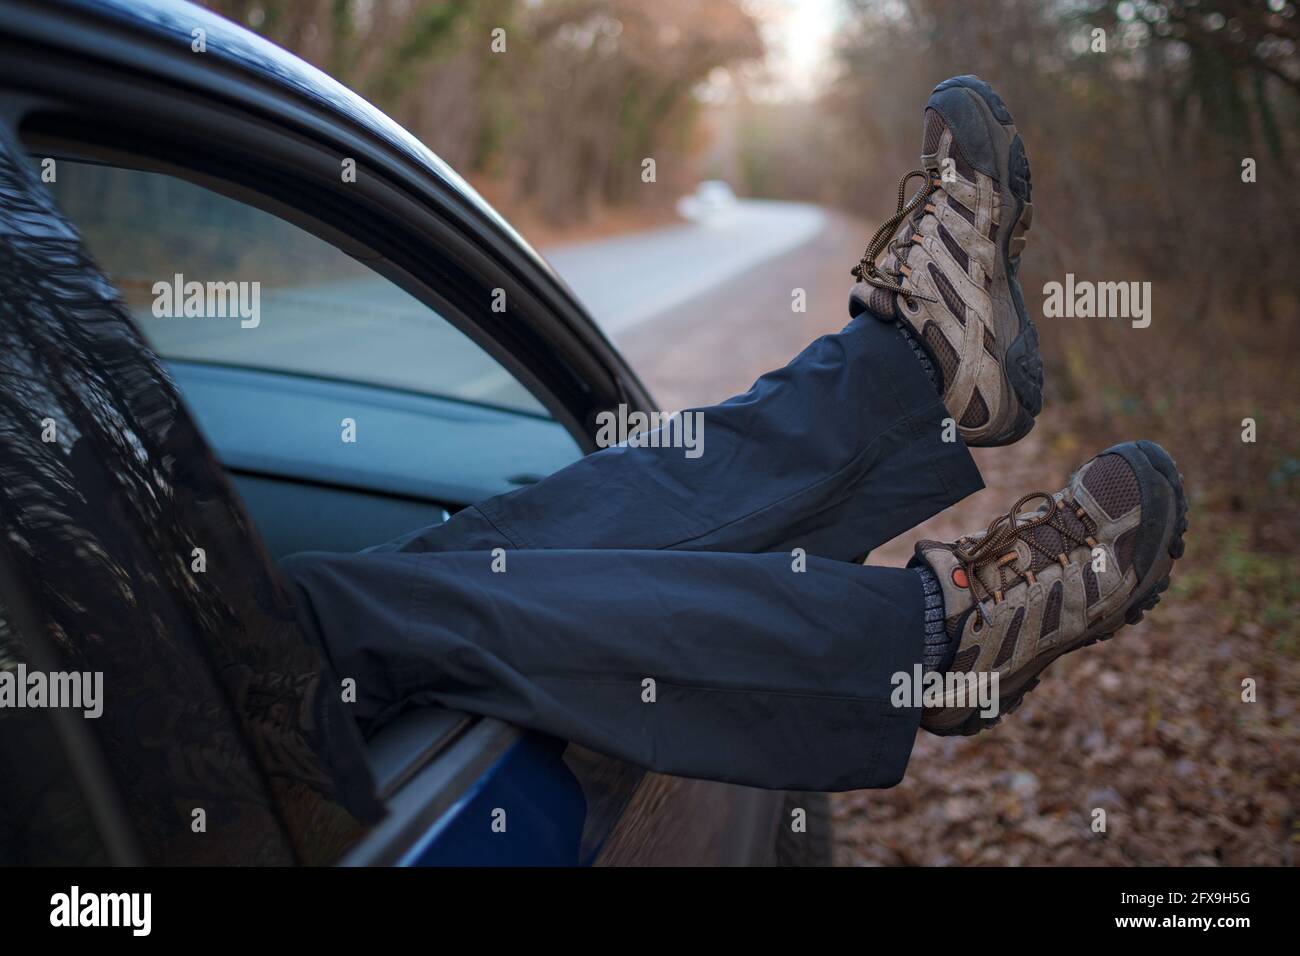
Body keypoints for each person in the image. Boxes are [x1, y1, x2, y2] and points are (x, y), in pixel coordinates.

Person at [280, 76, 1187, 793]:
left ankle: (904, 378)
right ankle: (943, 639)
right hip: (200, 729)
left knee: (450, 569)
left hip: (203, 664)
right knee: (383, 613)